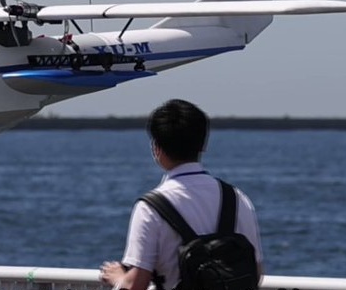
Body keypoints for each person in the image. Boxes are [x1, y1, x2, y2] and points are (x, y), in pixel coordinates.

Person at [100, 99, 263, 290]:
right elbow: (255, 270)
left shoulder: (150, 208)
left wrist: (118, 278)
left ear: (156, 148)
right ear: (203, 144)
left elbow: (136, 285)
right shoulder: (236, 198)